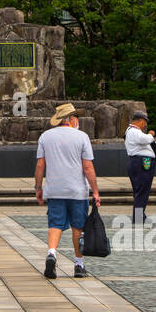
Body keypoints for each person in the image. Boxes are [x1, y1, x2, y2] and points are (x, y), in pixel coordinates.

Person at [34, 103, 100, 279]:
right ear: (71, 119)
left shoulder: (45, 137)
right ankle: (79, 265)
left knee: (55, 224)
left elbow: (40, 164)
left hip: (55, 190)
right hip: (77, 191)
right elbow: (88, 166)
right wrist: (95, 191)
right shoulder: (82, 137)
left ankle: (52, 253)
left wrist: (38, 187)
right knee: (78, 227)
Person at [124, 110, 156, 224]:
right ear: (139, 121)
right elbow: (145, 139)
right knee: (142, 191)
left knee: (140, 191)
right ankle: (138, 217)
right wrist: (151, 134)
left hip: (139, 162)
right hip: (142, 163)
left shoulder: (133, 131)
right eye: (144, 122)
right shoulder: (134, 131)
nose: (145, 125)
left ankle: (140, 215)